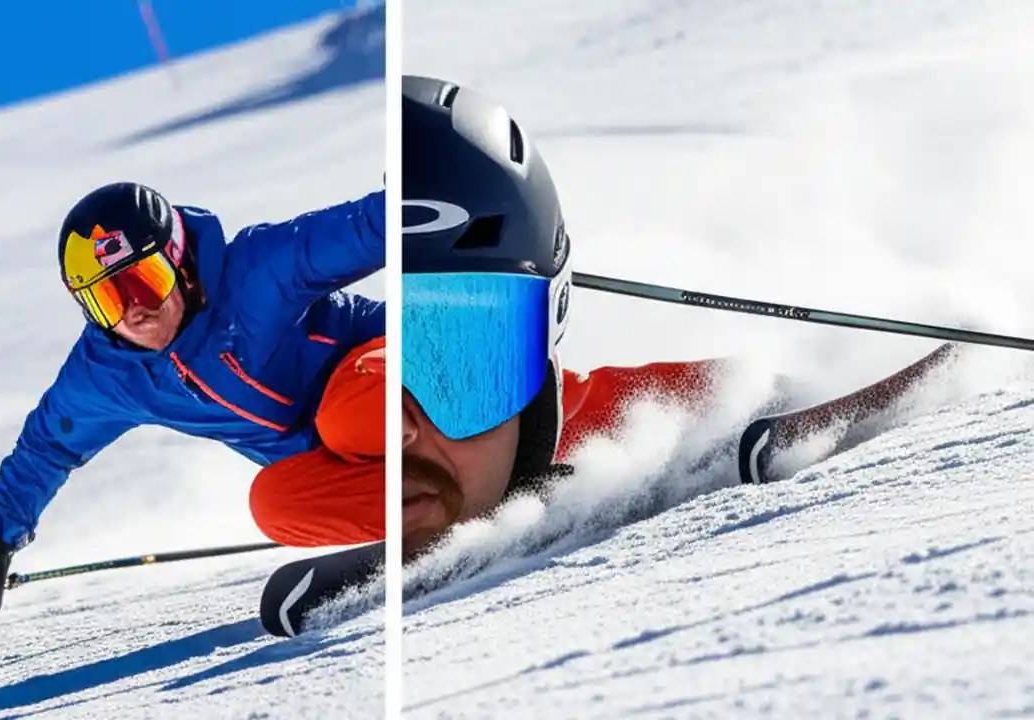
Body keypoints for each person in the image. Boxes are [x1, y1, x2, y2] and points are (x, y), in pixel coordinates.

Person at [401, 76, 944, 559]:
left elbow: (739, 406)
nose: (395, 430)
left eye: (458, 360)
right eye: (329, 377)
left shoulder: (583, 433)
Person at [0, 182, 387, 616]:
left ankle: (453, 458)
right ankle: (428, 511)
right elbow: (47, 448)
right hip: (358, 458)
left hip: (412, 372)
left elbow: (370, 228)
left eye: (144, 283)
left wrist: (419, 185)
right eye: (107, 299)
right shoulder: (110, 375)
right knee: (277, 505)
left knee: (344, 418)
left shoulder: (257, 273)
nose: (132, 310)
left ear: (181, 262)